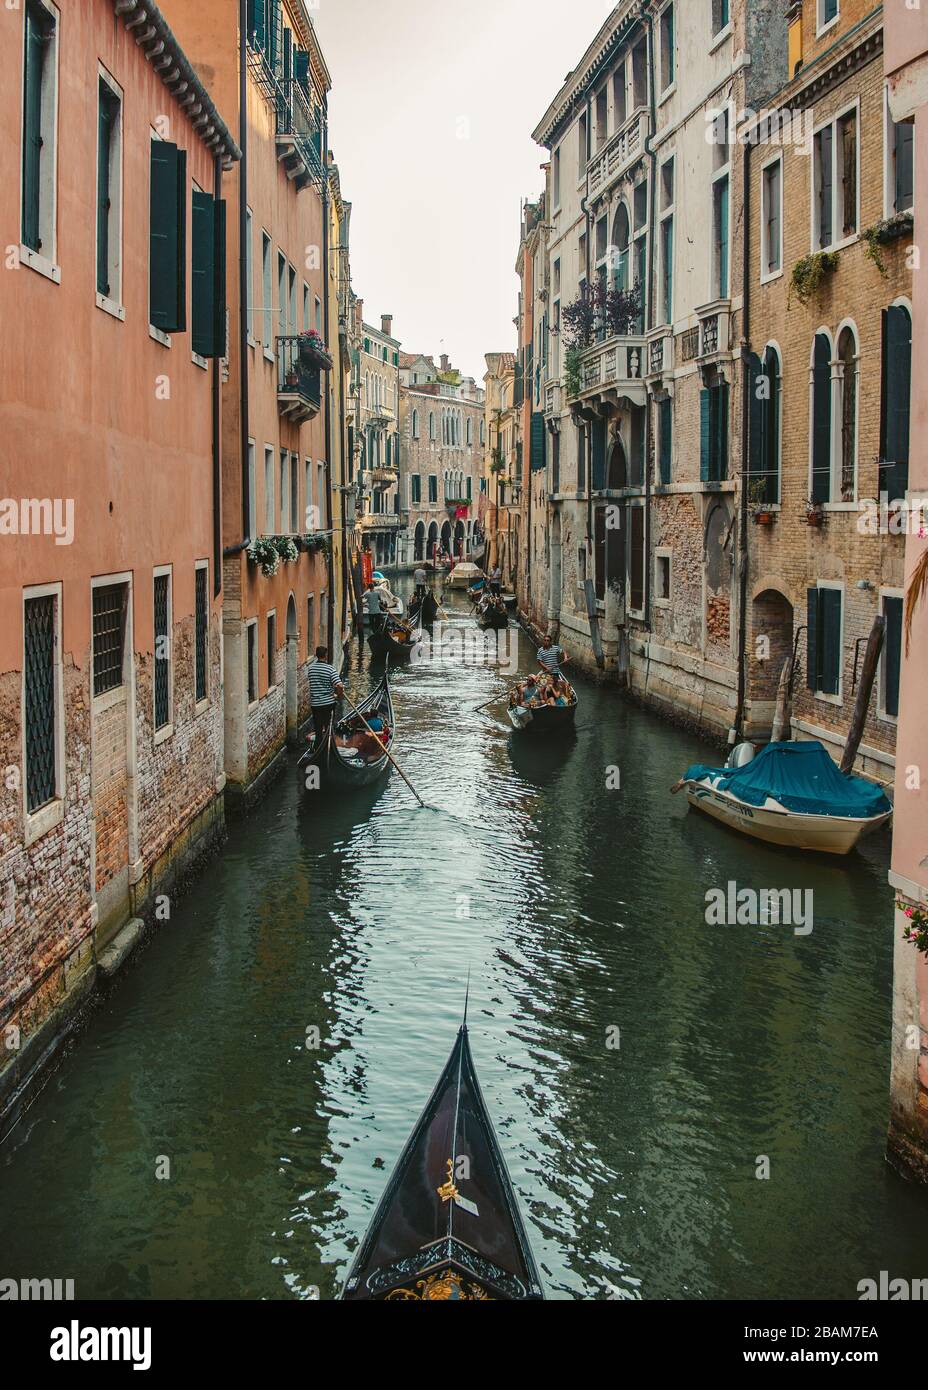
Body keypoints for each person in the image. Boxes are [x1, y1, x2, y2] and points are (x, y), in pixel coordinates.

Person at [308, 646, 345, 743]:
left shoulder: (311, 669)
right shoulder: (330, 669)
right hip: (328, 703)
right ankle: (330, 744)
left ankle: (318, 746)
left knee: (318, 727)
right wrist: (339, 696)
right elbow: (340, 686)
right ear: (326, 655)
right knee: (329, 726)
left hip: (315, 704)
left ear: (316, 655)